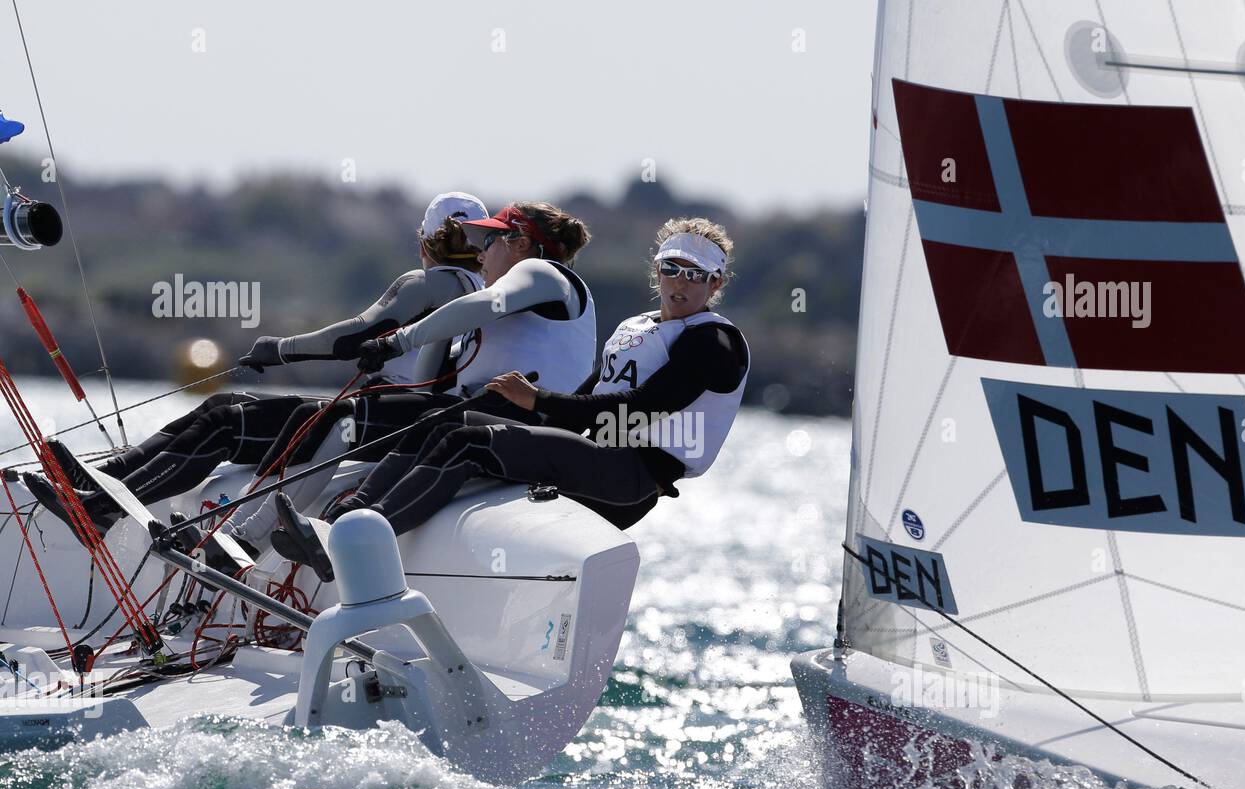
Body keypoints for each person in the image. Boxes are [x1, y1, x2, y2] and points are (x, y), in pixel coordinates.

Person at [274, 217, 749, 579]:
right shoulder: (636, 327)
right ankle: (341, 524)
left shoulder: (714, 343)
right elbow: (588, 399)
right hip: (598, 457)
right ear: (659, 272)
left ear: (716, 283)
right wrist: (530, 410)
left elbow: (642, 409)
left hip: (633, 477)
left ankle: (356, 548)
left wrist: (537, 400)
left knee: (473, 445)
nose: (681, 282)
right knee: (444, 426)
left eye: (696, 274)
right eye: (672, 269)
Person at [23, 191, 490, 548]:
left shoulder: (428, 282)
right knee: (223, 404)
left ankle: (102, 510)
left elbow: (349, 337)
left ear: (425, 239)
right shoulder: (484, 290)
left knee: (224, 423)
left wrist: (279, 349)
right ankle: (103, 476)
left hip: (372, 424)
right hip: (391, 423)